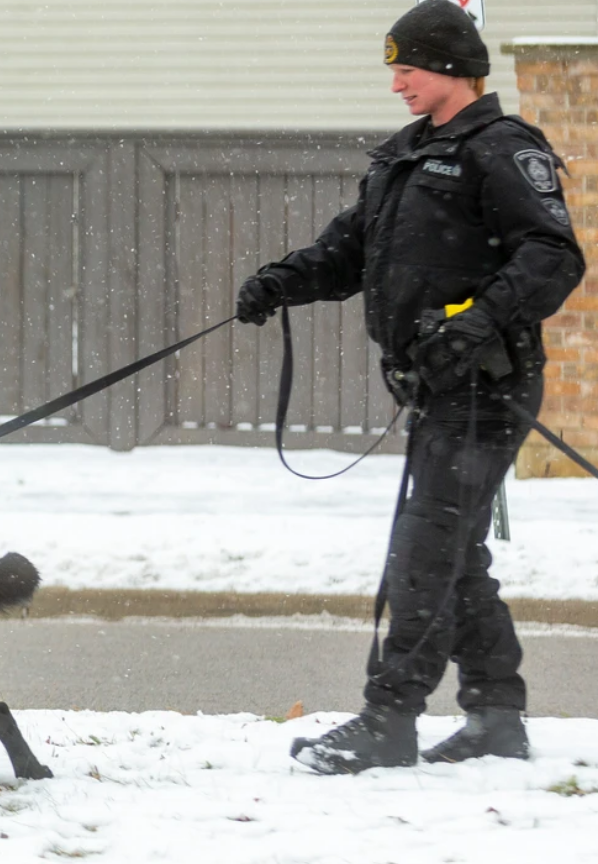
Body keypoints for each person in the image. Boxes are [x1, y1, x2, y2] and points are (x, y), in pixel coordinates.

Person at [236, 0, 585, 775]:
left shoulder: (499, 149)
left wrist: (473, 327)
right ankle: (497, 714)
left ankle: (390, 718)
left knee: (423, 553)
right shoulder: (403, 156)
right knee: (453, 554)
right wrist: (280, 283)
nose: (396, 82)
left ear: (454, 69)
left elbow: (551, 257)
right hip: (435, 389)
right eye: (394, 68)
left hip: (485, 390)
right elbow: (350, 251)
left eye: (408, 67)